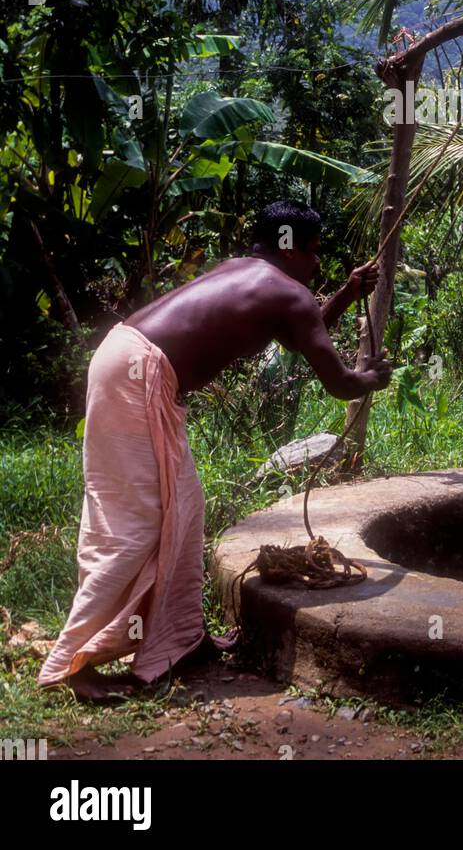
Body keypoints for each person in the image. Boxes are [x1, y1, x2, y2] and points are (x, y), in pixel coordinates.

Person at [37, 200, 391, 702]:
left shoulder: (251, 275)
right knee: (136, 524)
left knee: (186, 506)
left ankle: (180, 639)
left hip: (128, 363)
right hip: (137, 376)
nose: (317, 263)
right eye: (313, 252)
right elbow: (339, 382)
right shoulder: (290, 295)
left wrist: (349, 293)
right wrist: (371, 378)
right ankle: (76, 662)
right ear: (291, 247)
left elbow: (298, 333)